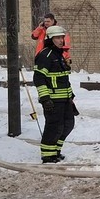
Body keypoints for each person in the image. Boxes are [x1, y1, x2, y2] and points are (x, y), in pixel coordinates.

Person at [33, 24, 76, 163]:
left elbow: (63, 78)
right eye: (57, 38)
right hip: (53, 100)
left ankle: (55, 151)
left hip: (65, 99)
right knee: (53, 127)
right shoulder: (45, 55)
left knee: (68, 124)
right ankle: (47, 155)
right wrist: (45, 98)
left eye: (62, 37)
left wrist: (71, 95)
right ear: (50, 39)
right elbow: (38, 78)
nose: (60, 40)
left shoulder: (59, 55)